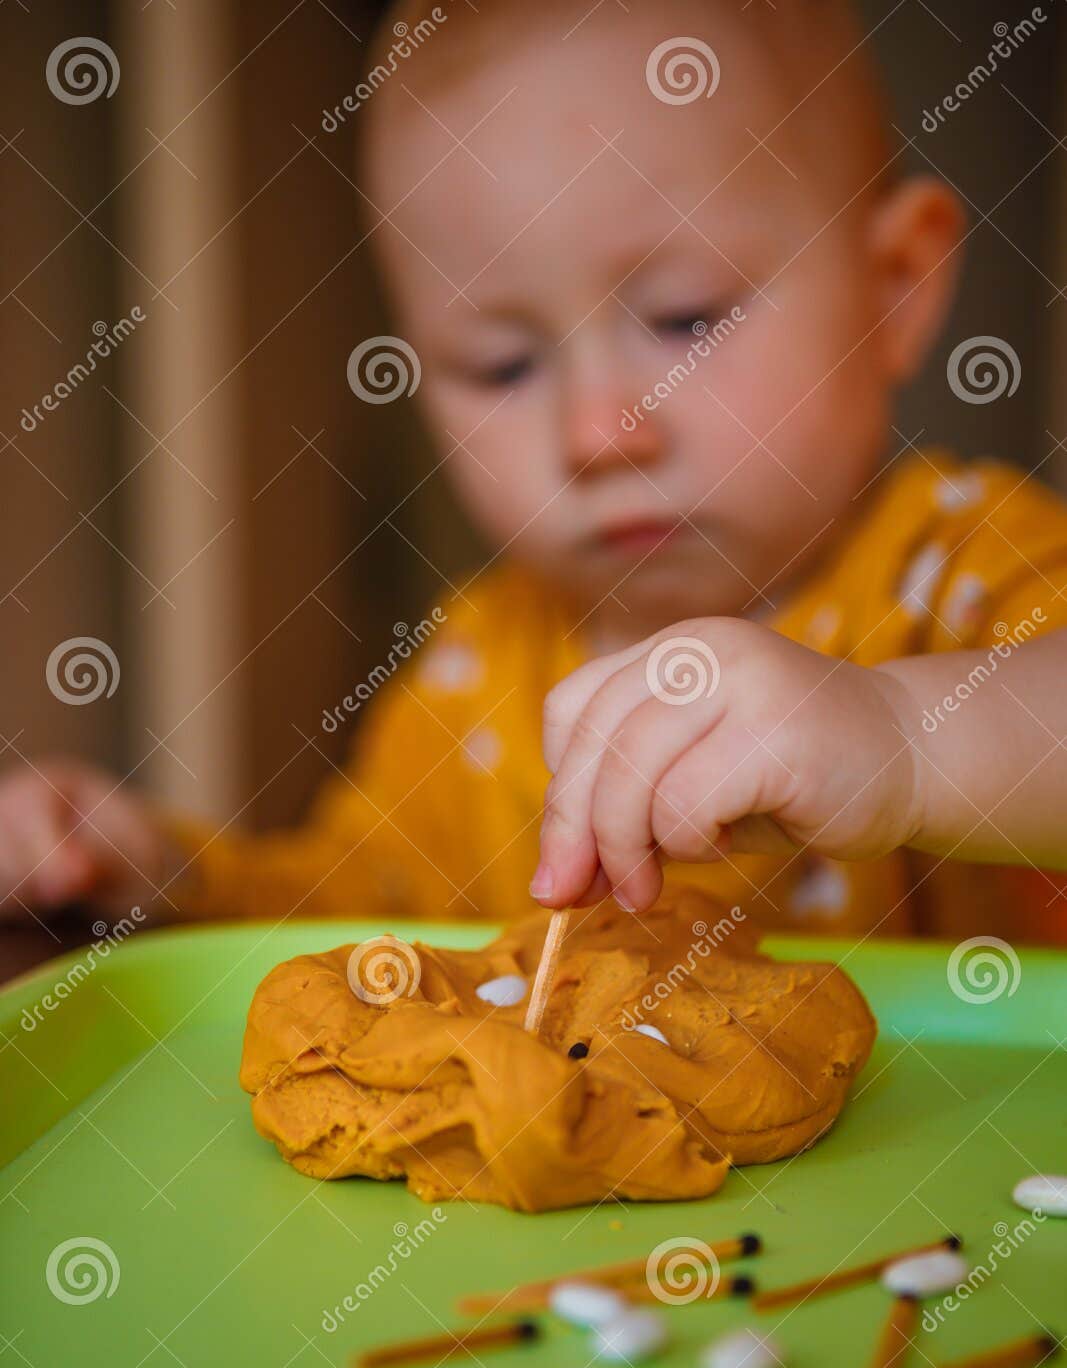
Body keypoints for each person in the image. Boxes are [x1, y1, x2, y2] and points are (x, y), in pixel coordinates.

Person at [4, 0, 1067, 941]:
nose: (599, 433)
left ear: (890, 287)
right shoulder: (476, 674)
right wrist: (167, 881)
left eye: (683, 318)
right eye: (501, 364)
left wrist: (900, 738)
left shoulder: (959, 568)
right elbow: (353, 917)